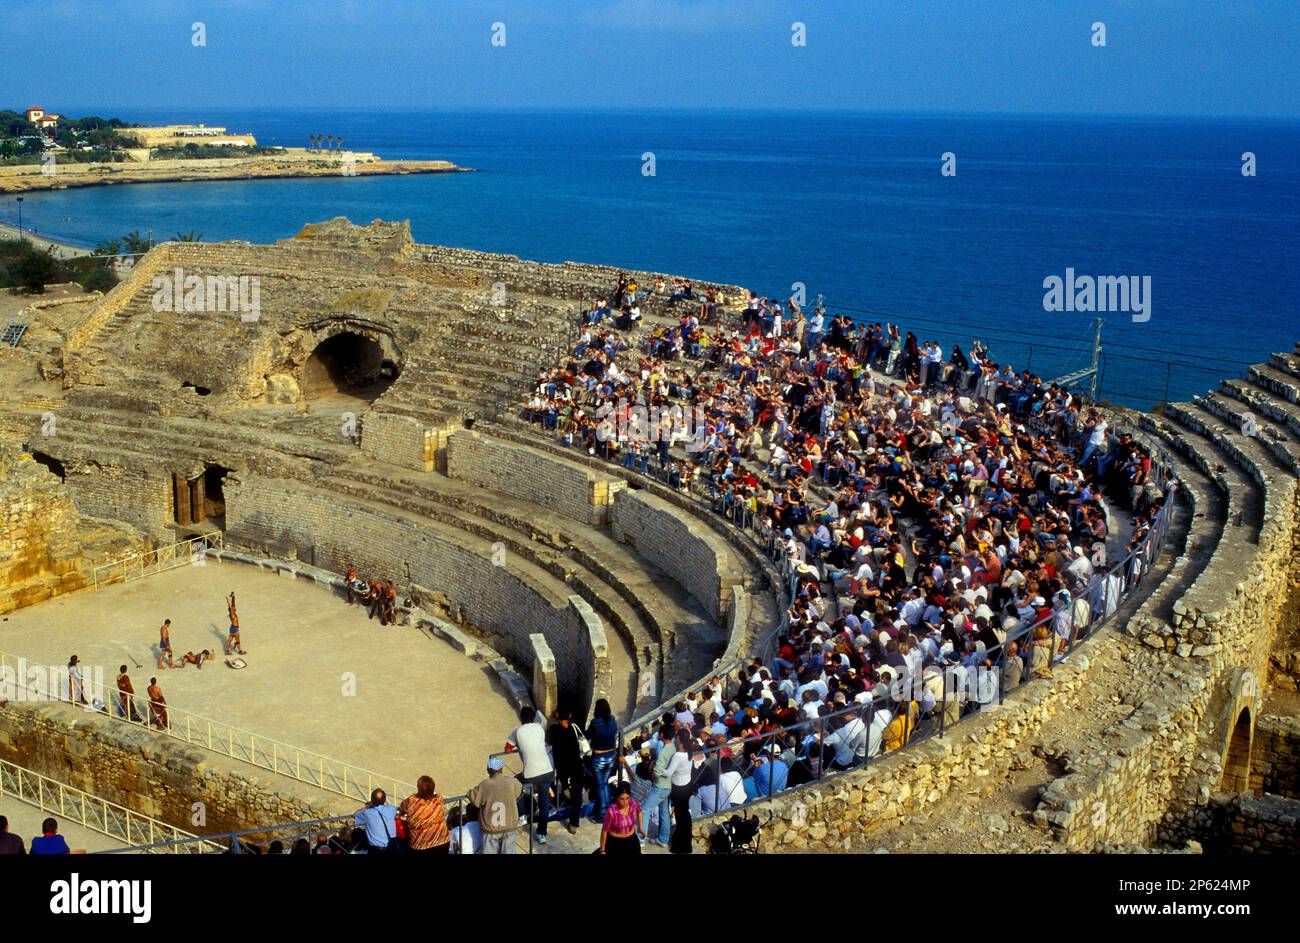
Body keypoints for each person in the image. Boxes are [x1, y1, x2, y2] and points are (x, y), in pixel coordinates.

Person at [506, 705, 555, 845]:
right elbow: (543, 742)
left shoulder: (517, 731)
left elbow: (507, 748)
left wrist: (518, 747)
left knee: (515, 783)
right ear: (533, 718)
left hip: (531, 773)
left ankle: (521, 814)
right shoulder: (539, 728)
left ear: (520, 718)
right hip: (546, 770)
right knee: (544, 802)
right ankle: (542, 834)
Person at [467, 756, 522, 854]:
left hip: (491, 829)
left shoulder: (485, 785)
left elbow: (474, 799)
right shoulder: (511, 782)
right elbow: (518, 790)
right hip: (509, 826)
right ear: (501, 769)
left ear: (488, 771)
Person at [547, 708, 585, 835]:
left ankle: (565, 789)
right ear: (569, 715)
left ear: (557, 715)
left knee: (569, 791)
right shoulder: (574, 727)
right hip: (576, 765)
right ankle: (574, 823)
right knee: (578, 795)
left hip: (563, 766)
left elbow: (549, 744)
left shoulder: (553, 729)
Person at [585, 698, 620, 822]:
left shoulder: (595, 723)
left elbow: (587, 736)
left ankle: (603, 815)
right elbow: (614, 733)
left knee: (601, 786)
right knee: (604, 785)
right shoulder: (613, 721)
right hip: (611, 756)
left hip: (599, 757)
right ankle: (609, 811)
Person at [399, 775, 451, 854]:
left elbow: (402, 805)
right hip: (441, 839)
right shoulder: (438, 799)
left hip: (420, 844)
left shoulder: (411, 801)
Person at [599, 783, 644, 855]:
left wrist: (640, 828)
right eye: (622, 799)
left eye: (627, 798)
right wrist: (602, 850)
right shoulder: (611, 811)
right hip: (615, 843)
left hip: (631, 840)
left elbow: (640, 812)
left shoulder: (633, 804)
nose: (625, 802)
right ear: (617, 798)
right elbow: (604, 831)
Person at [354, 788, 401, 853]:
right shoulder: (391, 809)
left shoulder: (367, 813)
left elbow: (354, 815)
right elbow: (399, 810)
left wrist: (367, 806)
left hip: (376, 849)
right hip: (392, 846)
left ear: (372, 800)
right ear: (384, 800)